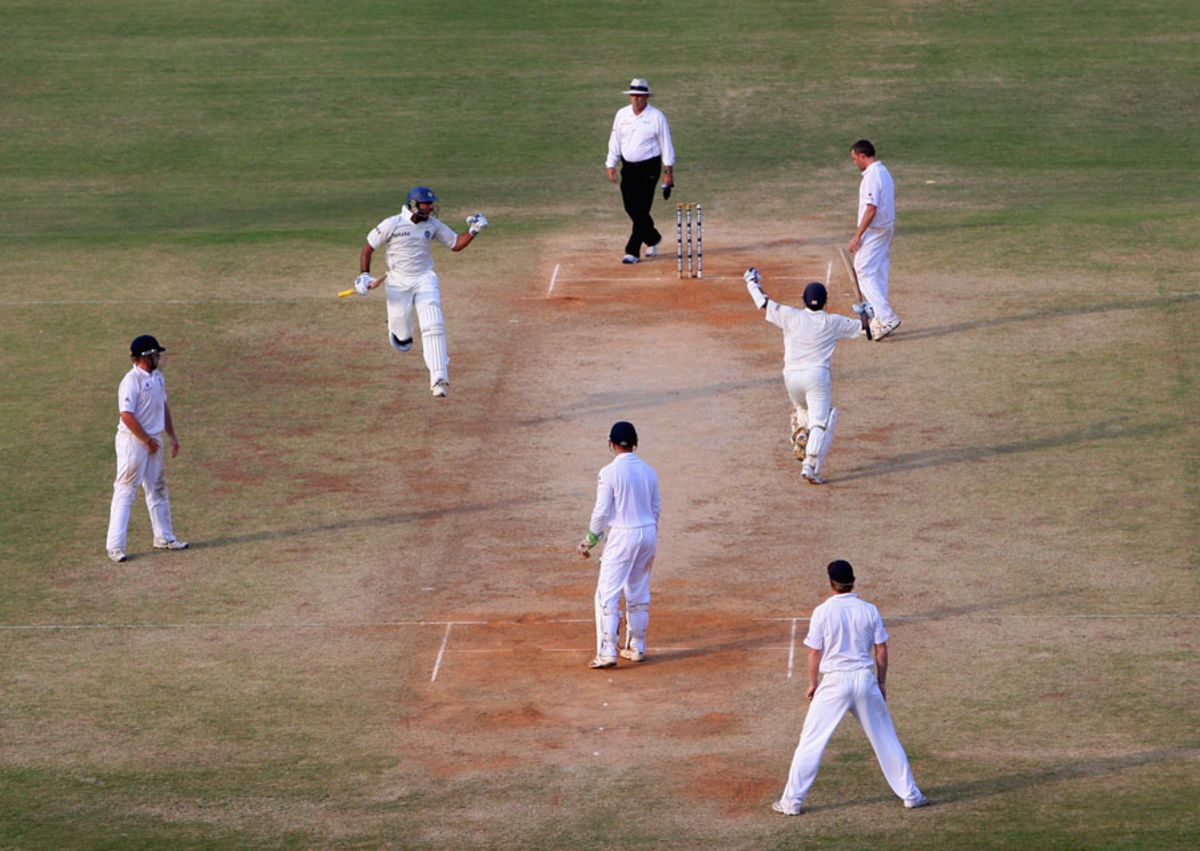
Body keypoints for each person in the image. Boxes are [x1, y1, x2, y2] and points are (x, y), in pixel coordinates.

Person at [773, 560, 927, 815]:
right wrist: (881, 682)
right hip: (864, 681)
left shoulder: (822, 612)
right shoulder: (869, 610)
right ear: (853, 580)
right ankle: (911, 795)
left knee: (810, 742)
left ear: (830, 583)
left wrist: (813, 684)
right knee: (886, 739)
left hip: (833, 683)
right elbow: (881, 649)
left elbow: (814, 652)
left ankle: (791, 803)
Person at [354, 187, 488, 398]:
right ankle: (399, 333)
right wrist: (363, 275)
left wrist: (473, 231)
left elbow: (455, 244)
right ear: (414, 205)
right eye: (426, 204)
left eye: (431, 204)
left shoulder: (432, 225)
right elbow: (368, 248)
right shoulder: (392, 223)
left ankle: (439, 379)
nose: (431, 208)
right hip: (397, 282)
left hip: (424, 278)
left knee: (433, 324)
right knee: (403, 339)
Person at [743, 269, 865, 485]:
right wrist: (865, 311)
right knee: (822, 422)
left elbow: (762, 302)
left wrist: (751, 281)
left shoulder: (791, 315)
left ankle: (801, 431)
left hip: (791, 378)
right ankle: (810, 465)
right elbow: (866, 328)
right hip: (816, 376)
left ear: (804, 301)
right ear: (825, 302)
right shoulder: (832, 321)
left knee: (802, 409)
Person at [577, 421, 661, 669]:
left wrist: (590, 539)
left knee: (607, 594)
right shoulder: (649, 471)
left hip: (622, 535)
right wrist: (647, 536)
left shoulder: (608, 473)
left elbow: (601, 512)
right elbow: (656, 508)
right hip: (647, 532)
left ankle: (607, 652)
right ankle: (637, 647)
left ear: (611, 444)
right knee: (638, 590)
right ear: (635, 444)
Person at [105, 335, 188, 563]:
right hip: (132, 441)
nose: (158, 358)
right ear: (144, 357)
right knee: (126, 490)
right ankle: (115, 547)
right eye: (155, 354)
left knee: (157, 487)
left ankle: (164, 537)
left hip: (153, 439)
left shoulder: (158, 378)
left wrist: (171, 436)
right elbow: (126, 415)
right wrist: (145, 440)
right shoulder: (131, 381)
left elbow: (162, 406)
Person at [605, 78, 676, 265]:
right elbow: (615, 140)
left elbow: (666, 144)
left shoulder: (656, 117)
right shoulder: (621, 115)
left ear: (646, 97)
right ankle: (652, 237)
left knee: (642, 207)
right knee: (631, 207)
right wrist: (610, 163)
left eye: (639, 96)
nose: (636, 99)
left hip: (649, 168)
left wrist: (668, 171)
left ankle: (632, 251)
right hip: (628, 167)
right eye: (633, 95)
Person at [848, 139, 900, 340]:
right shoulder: (884, 172)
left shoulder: (871, 177)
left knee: (862, 270)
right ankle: (879, 317)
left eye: (855, 159)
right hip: (886, 228)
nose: (855, 163)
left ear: (863, 156)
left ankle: (886, 316)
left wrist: (857, 236)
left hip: (876, 231)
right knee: (878, 272)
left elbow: (871, 209)